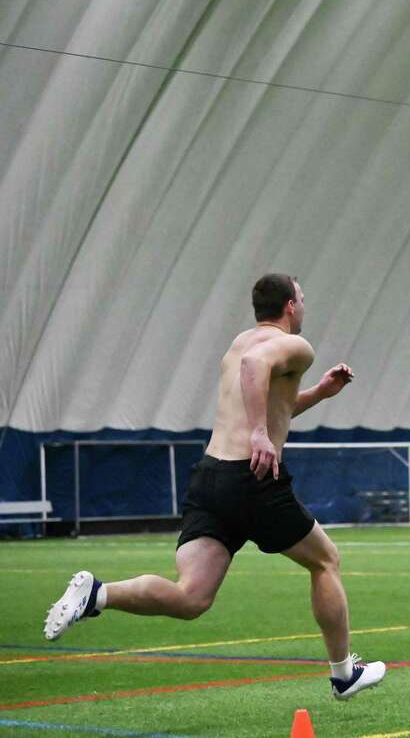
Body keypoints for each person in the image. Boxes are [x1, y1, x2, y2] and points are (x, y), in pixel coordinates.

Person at [43, 274, 386, 700]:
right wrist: (260, 435)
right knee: (326, 561)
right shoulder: (298, 346)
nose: (305, 305)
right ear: (291, 307)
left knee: (191, 598)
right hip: (253, 478)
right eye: (303, 297)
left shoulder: (239, 341)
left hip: (211, 476)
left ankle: (99, 594)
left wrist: (318, 393)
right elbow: (255, 370)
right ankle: (343, 674)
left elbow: (268, 396)